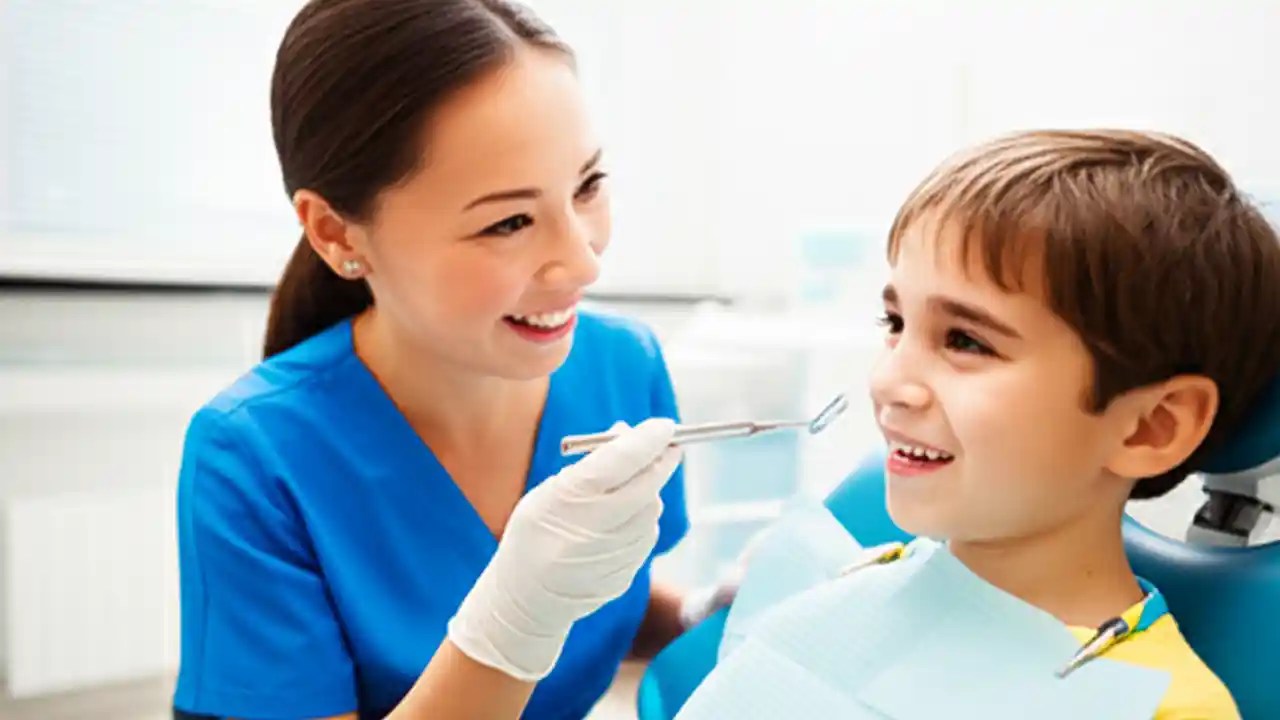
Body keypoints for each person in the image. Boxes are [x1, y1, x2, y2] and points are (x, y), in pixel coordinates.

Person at [172, 1, 715, 717]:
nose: (582, 263)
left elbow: (605, 600)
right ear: (337, 233)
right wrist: (507, 627)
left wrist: (700, 615)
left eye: (586, 186)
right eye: (509, 221)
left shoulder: (622, 364)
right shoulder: (251, 457)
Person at [682, 130, 1280, 719]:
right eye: (893, 322)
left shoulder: (1160, 705)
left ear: (1149, 427)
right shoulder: (841, 582)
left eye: (965, 341)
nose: (890, 381)